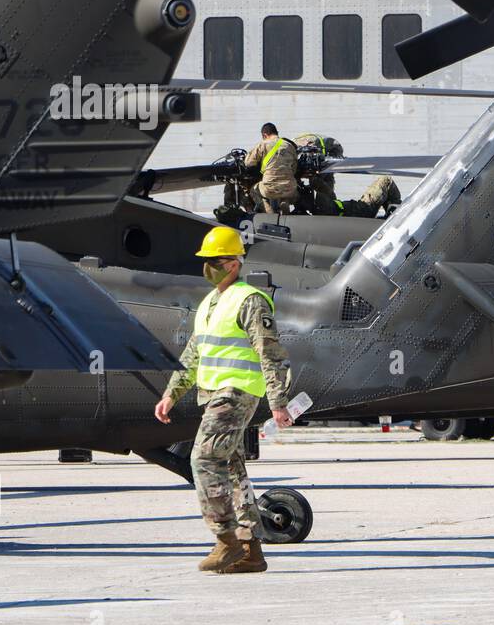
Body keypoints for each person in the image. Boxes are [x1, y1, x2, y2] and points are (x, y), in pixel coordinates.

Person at [154, 226, 292, 574]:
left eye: (214, 261)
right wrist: (172, 393)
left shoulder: (249, 300)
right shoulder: (210, 303)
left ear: (234, 264)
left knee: (203, 458)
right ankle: (250, 550)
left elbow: (269, 352)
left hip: (237, 391)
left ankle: (226, 540)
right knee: (230, 467)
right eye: (206, 261)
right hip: (213, 393)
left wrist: (278, 401)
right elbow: (194, 353)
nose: (208, 267)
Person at [293, 131, 401, 217]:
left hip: (347, 211)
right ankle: (396, 214)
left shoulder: (310, 192)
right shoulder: (319, 194)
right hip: (358, 212)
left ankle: (394, 214)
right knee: (386, 180)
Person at [243, 123, 299, 213]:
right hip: (289, 188)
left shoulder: (263, 144)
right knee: (290, 191)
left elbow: (248, 162)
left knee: (253, 190)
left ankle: (269, 212)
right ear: (277, 133)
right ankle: (285, 201)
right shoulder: (289, 145)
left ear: (264, 135)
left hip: (270, 188)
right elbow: (294, 168)